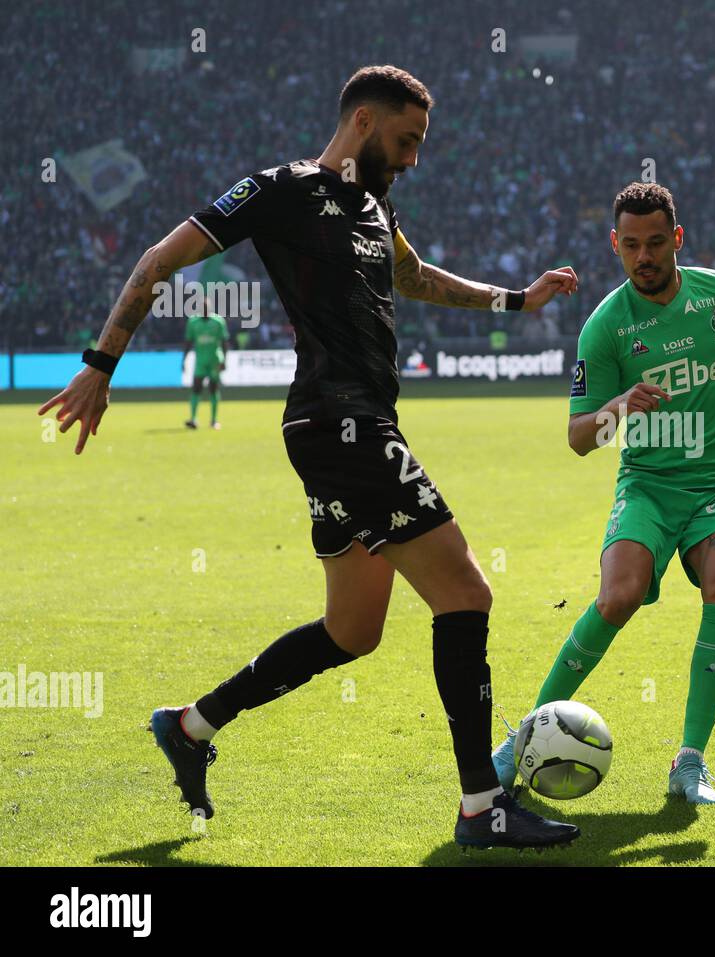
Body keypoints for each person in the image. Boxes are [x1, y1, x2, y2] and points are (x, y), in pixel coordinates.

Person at [36, 65, 582, 851]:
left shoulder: (376, 206)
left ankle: (190, 726)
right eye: (406, 140)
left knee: (352, 629)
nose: (414, 158)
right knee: (466, 591)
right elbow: (158, 258)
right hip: (340, 421)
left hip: (344, 427)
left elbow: (414, 277)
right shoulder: (280, 191)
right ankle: (481, 805)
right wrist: (99, 363)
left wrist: (517, 300)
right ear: (363, 122)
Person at [492, 182, 715, 804]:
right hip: (648, 485)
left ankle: (689, 762)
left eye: (655, 243)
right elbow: (580, 439)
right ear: (615, 245)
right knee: (619, 596)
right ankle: (522, 740)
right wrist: (617, 405)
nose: (644, 257)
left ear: (677, 239)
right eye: (631, 245)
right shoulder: (606, 326)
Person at [182, 301, 228, 429]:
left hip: (214, 360)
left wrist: (224, 361)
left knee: (213, 389)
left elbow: (224, 342)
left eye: (206, 308)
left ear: (210, 308)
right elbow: (188, 342)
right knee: (196, 388)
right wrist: (183, 360)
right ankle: (193, 419)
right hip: (200, 361)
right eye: (202, 308)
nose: (205, 310)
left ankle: (214, 420)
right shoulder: (192, 322)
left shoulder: (219, 321)